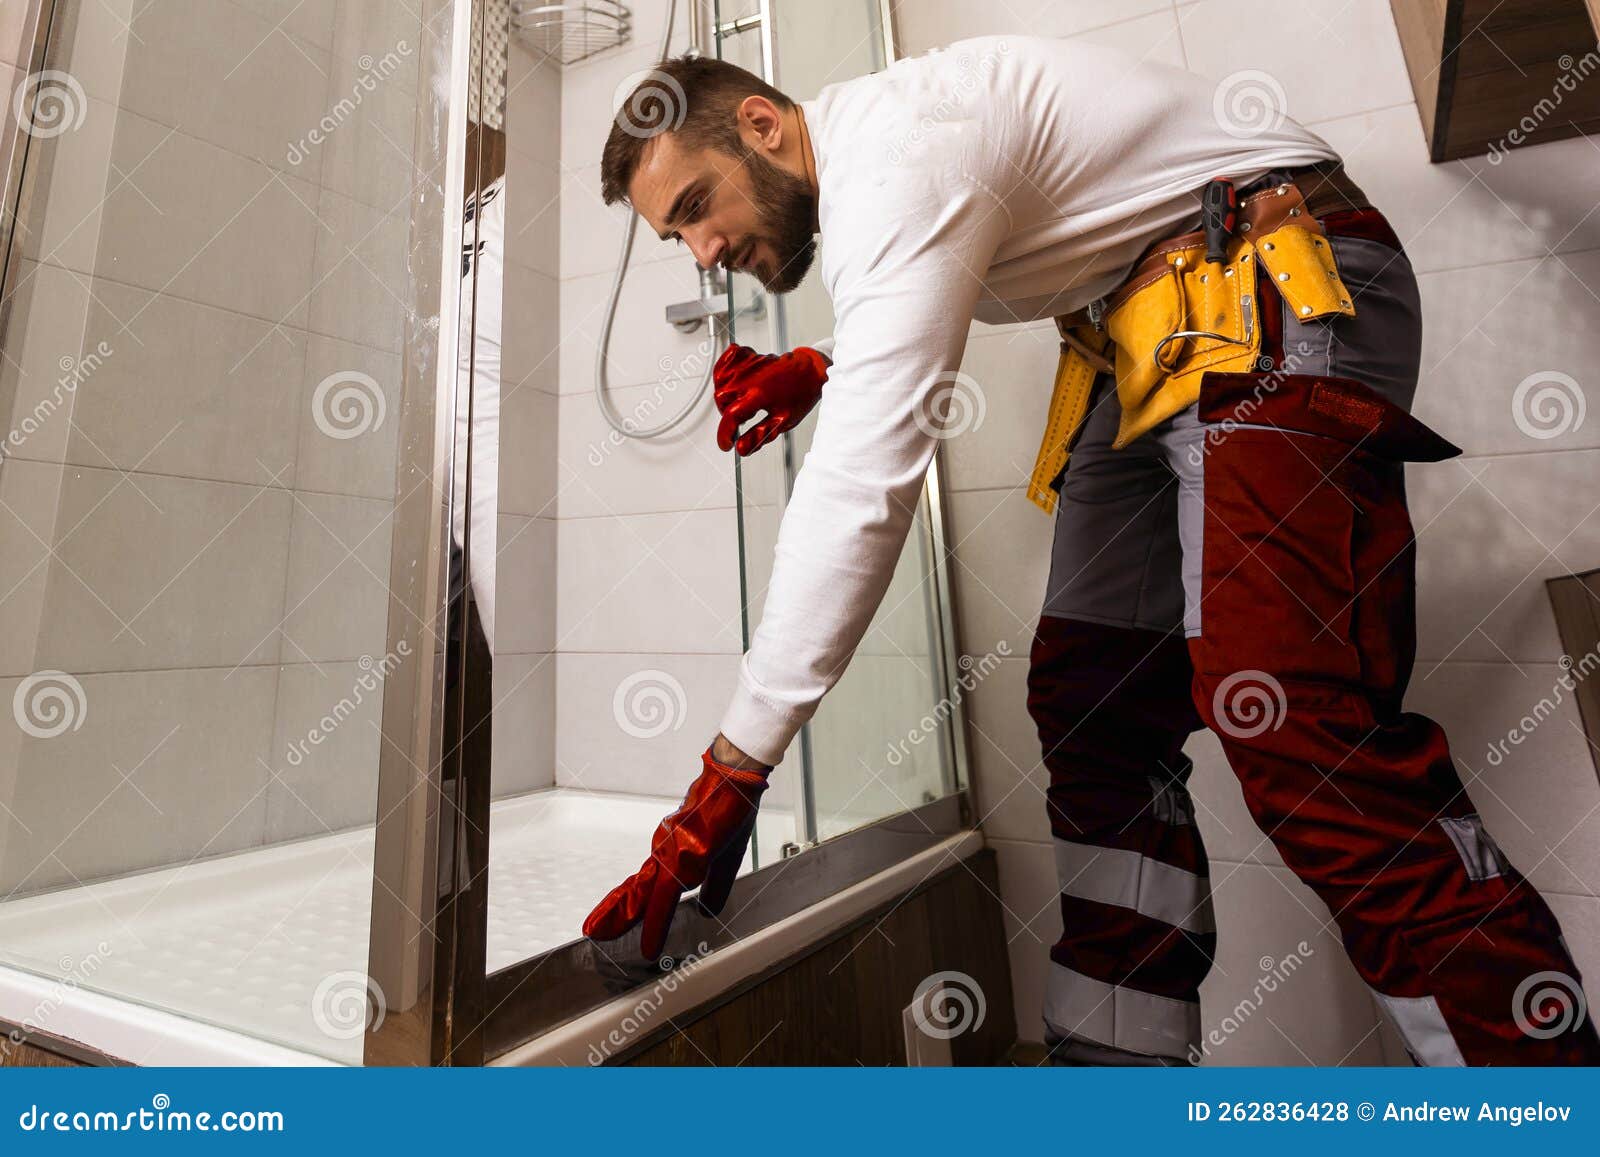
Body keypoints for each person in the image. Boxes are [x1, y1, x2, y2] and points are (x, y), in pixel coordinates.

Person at [580, 36, 1600, 1067]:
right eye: (679, 238)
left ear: (762, 124)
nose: (704, 250)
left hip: (1278, 270)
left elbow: (857, 488)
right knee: (1092, 699)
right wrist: (838, 369)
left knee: (1292, 713)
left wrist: (730, 773)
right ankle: (1113, 1073)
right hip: (1156, 322)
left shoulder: (895, 149)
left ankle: (1532, 1086)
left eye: (696, 207)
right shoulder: (881, 162)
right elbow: (966, 274)